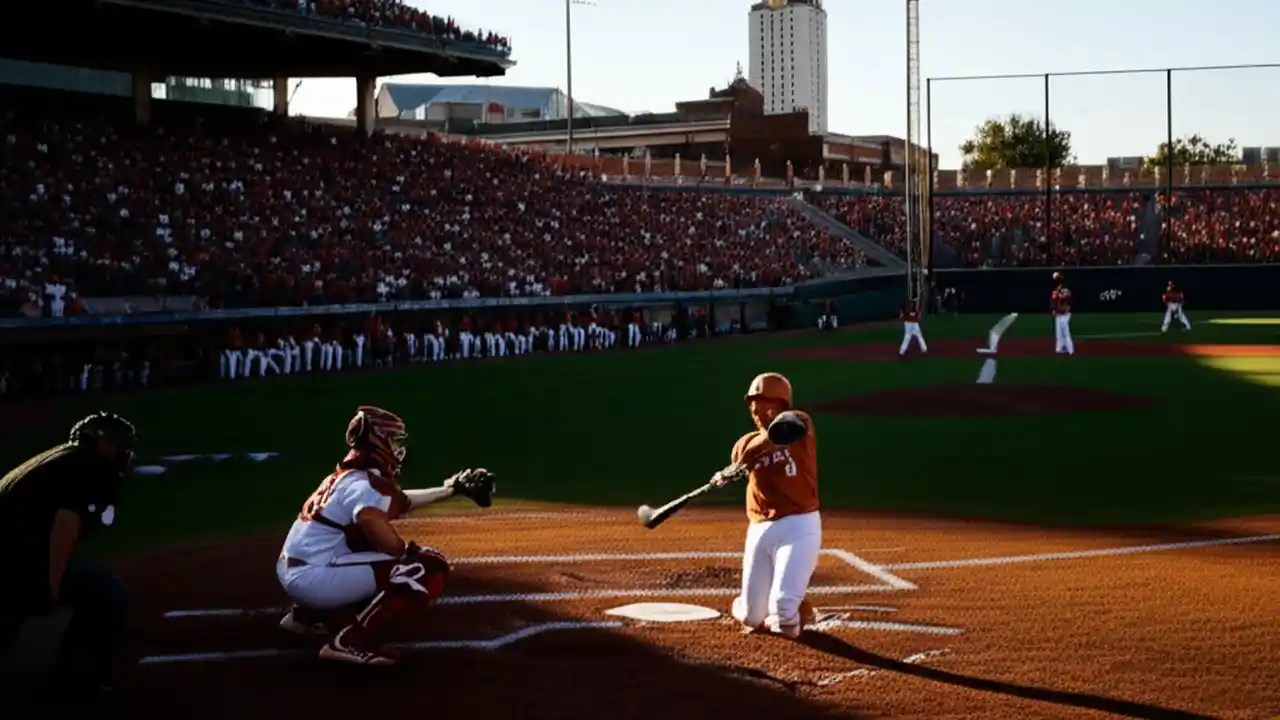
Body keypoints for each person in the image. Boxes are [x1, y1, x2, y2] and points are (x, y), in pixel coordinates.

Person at [275, 406, 496, 666]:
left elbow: (398, 501)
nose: (396, 448)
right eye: (391, 440)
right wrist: (404, 555)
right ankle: (347, 641)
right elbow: (371, 518)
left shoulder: (348, 478)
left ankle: (303, 618)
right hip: (315, 578)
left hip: (297, 569)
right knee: (425, 567)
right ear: (376, 440)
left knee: (359, 543)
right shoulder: (366, 484)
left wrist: (450, 490)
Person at [0, 412, 136, 702]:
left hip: (11, 552)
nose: (124, 451)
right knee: (108, 593)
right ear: (101, 443)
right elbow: (65, 523)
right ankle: (80, 683)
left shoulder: (55, 458)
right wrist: (50, 584)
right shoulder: (95, 467)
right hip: (15, 558)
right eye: (118, 444)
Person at [710, 373, 820, 638]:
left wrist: (738, 465)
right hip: (759, 530)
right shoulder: (742, 444)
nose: (755, 408)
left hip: (799, 526)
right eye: (752, 402)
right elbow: (748, 453)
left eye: (762, 401)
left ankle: (791, 607)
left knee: (783, 613)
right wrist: (729, 473)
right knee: (750, 617)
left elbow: (774, 435)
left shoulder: (799, 422)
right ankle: (756, 602)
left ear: (780, 403)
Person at [1051, 271, 1075, 355]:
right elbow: (1054, 300)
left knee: (1065, 332)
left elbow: (1069, 301)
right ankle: (1059, 348)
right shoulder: (1056, 291)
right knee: (1059, 333)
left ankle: (1070, 350)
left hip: (1065, 314)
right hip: (1059, 314)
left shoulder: (1066, 291)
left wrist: (1067, 309)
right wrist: (1054, 309)